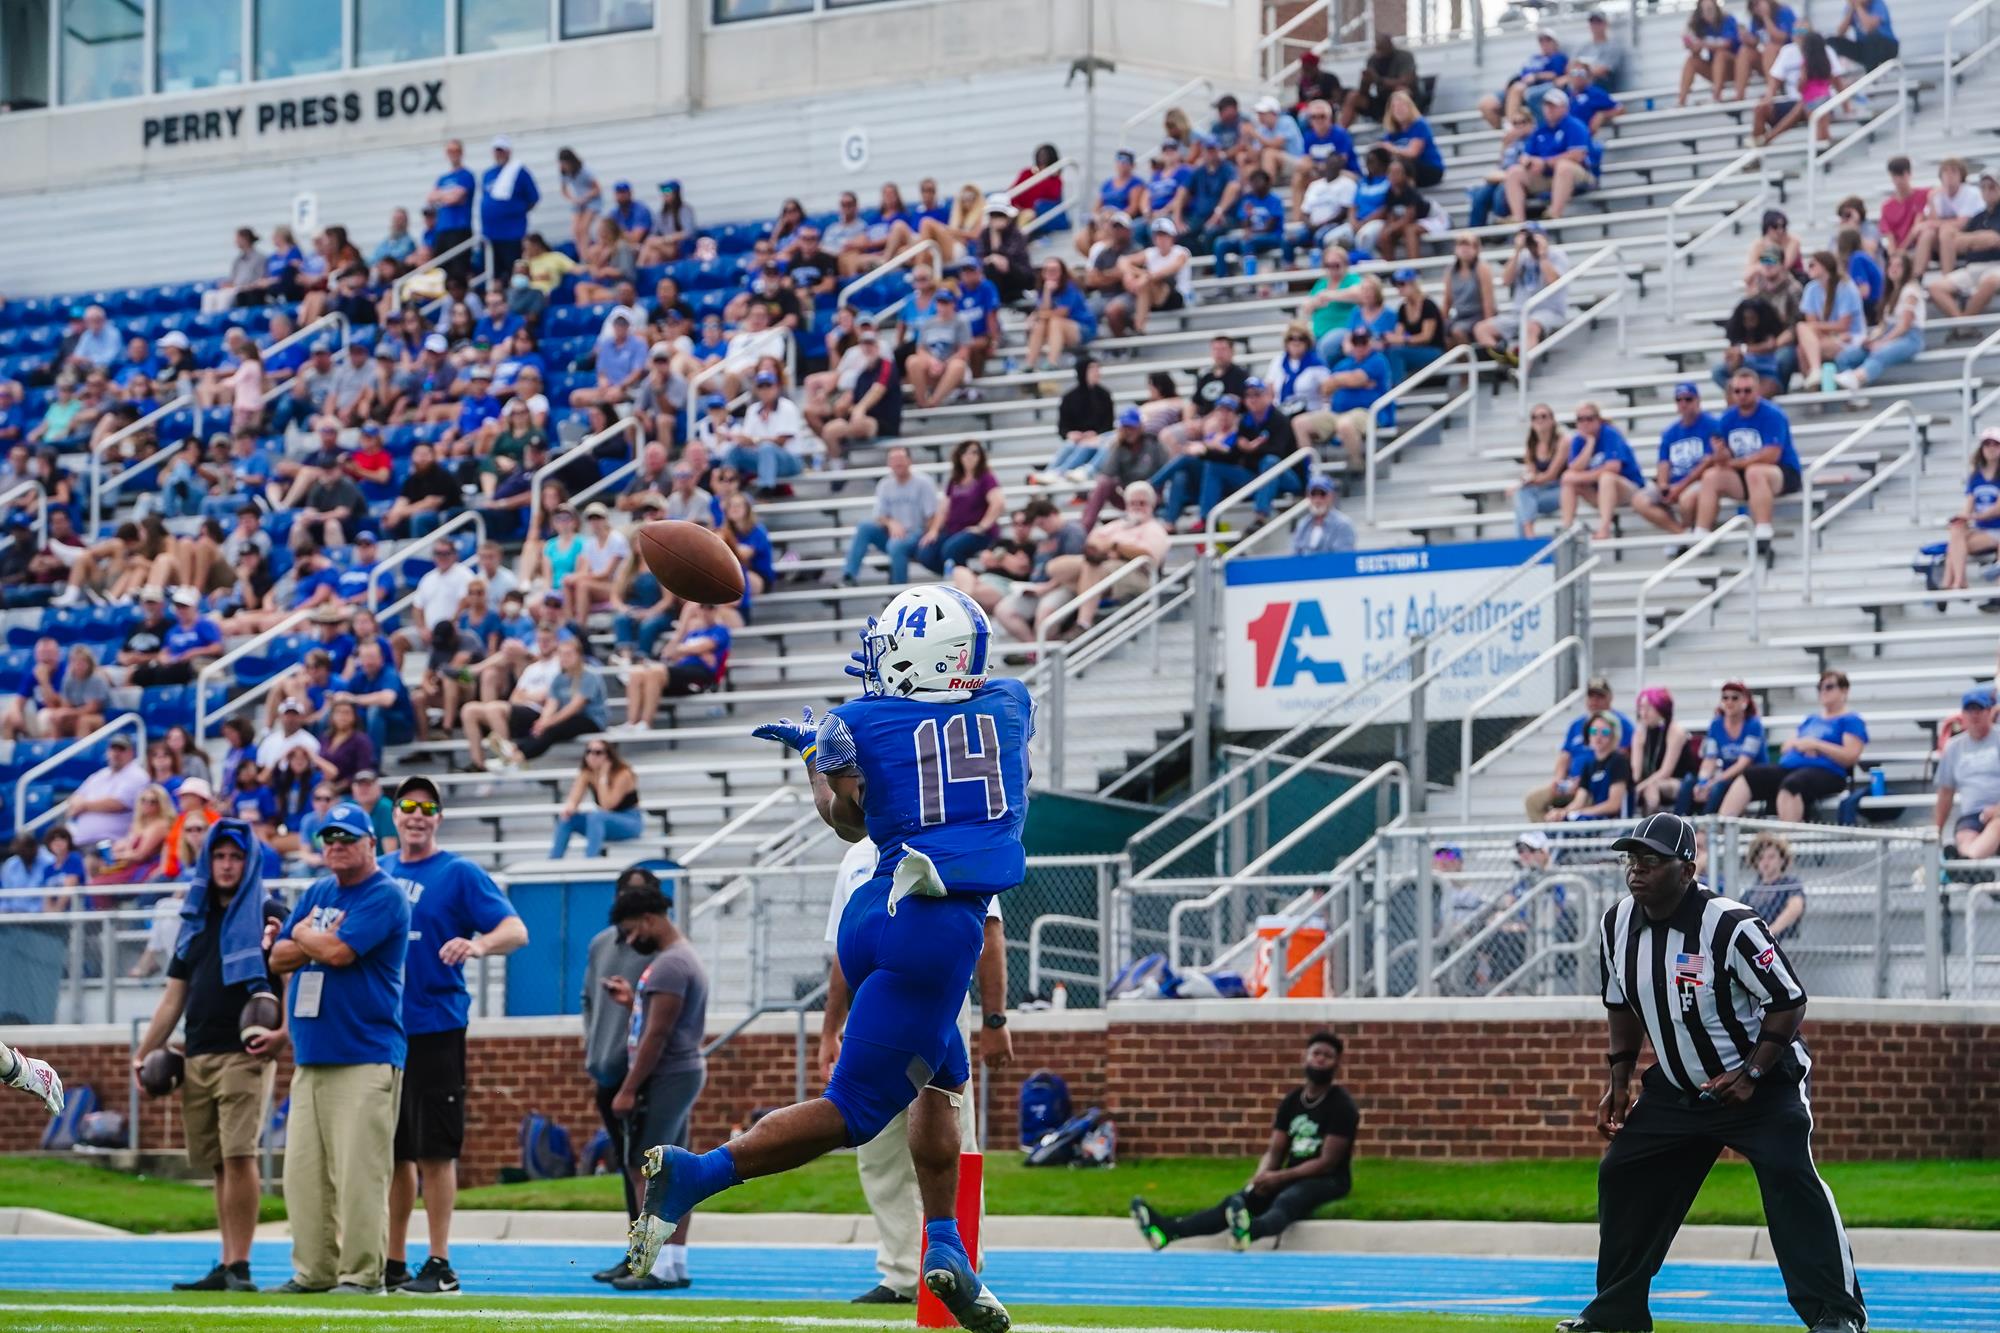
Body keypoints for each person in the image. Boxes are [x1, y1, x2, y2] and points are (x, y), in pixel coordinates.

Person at [627, 588, 1031, 1333]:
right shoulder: (1011, 702)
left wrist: (824, 761)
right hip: (935, 929)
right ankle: (697, 1173)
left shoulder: (862, 720)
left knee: (943, 1079)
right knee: (852, 1112)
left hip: (873, 912)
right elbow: (953, 721)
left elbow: (848, 823)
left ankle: (943, 1245)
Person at [1559, 813, 1863, 1333]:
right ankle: (1617, 1316)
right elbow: (1621, 1008)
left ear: (1686, 868)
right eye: (1632, 860)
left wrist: (1752, 1071)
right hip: (1677, 1089)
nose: (1637, 872)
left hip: (1759, 1086)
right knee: (1623, 1174)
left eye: (1652, 862)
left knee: (1791, 1179)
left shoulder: (1730, 923)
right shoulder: (1615, 925)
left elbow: (1789, 1001)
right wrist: (1618, 1082)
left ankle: (1836, 1314)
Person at [820, 834, 1008, 1304]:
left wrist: (995, 1019)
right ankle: (904, 1272)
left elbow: (988, 932)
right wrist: (830, 1028)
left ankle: (962, 1262)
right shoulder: (857, 857)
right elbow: (846, 949)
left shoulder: (957, 840)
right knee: (876, 1144)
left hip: (936, 1001)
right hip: (872, 1011)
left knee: (950, 1129)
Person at [379, 777, 527, 1295]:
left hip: (436, 1026)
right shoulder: (380, 873)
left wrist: (478, 945)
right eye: (408, 805)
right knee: (395, 1154)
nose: (417, 814)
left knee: (435, 1150)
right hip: (384, 1032)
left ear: (438, 817)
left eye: (427, 806)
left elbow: (515, 930)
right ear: (394, 814)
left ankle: (439, 1262)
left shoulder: (458, 871)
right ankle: (392, 1261)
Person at [134, 820, 288, 1293]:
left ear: (249, 862)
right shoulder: (194, 919)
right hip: (196, 1054)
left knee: (240, 1155)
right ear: (207, 862)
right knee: (219, 1161)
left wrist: (283, 1033)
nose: (226, 865)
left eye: (235, 857)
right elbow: (172, 999)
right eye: (219, 857)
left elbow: (290, 979)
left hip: (244, 1053)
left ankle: (240, 1266)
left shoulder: (269, 913)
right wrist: (143, 1055)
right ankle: (226, 1263)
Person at [267, 800, 411, 1296]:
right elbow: (279, 955)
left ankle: (361, 1276)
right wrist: (311, 936)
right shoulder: (318, 889)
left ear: (372, 843)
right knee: (303, 1177)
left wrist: (305, 935)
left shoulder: (384, 895)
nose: (337, 846)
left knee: (359, 1177)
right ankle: (314, 1272)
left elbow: (339, 952)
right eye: (330, 838)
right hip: (311, 1056)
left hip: (365, 1055)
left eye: (348, 838)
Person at [1131, 1031, 1357, 1250]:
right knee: (1240, 1200)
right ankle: (1168, 1231)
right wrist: (1262, 1176)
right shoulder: (1292, 1101)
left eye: (1327, 1056)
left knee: (1288, 1200)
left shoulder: (1342, 1105)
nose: (1320, 1059)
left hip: (1328, 1179)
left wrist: (1280, 1178)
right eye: (1316, 1053)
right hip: (1292, 1174)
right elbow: (1275, 1150)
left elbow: (1327, 1162)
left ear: (1337, 1065)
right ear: (1304, 1058)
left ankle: (1250, 1231)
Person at [603, 878, 710, 1292]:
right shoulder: (678, 959)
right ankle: (674, 1262)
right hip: (677, 1072)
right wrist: (633, 1001)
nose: (631, 940)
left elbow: (657, 1035)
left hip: (666, 1075)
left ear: (649, 919)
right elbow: (657, 1021)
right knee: (674, 1168)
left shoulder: (670, 963)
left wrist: (628, 1088)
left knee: (652, 1170)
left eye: (632, 930)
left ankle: (658, 1265)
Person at [581, 869, 654, 1284]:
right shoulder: (600, 944)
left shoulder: (661, 948)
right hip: (607, 1070)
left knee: (645, 1168)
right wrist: (592, 1045)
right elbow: (588, 999)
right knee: (628, 1167)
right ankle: (635, 1253)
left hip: (644, 1076)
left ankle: (650, 1258)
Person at [1720, 670, 1868, 822]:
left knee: (1791, 785)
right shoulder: (1812, 719)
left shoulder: (1851, 720)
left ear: (1844, 690)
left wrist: (1817, 745)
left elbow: (1851, 756)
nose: (1823, 691)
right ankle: (1720, 829)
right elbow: (1787, 746)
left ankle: (1786, 841)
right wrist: (1803, 745)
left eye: (1829, 687)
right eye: (1820, 687)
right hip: (1793, 768)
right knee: (1750, 775)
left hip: (1828, 772)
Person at [1694, 370, 1802, 545]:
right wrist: (1720, 455)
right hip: (1744, 473)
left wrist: (1735, 462)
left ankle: (1763, 530)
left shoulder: (1773, 414)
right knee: (1711, 476)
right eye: (1737, 391)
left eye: (1747, 390)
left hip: (1782, 472)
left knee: (1755, 472)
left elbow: (1771, 455)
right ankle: (1701, 534)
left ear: (1757, 390)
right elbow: (1724, 456)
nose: (1742, 395)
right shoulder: (1728, 417)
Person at [1525, 677, 1634, 821]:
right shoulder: (1577, 727)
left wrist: (1579, 808)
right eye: (1594, 732)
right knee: (1534, 800)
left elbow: (1614, 801)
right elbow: (1565, 756)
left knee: (1581, 810)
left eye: (1600, 696)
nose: (1598, 737)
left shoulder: (1621, 730)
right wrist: (1559, 781)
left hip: (1599, 786)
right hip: (1575, 783)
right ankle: (1546, 838)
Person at [1679, 681, 1767, 816]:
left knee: (1717, 787)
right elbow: (1710, 759)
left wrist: (1713, 782)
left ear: (1745, 701)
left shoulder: (1754, 725)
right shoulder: (1716, 724)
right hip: (1727, 776)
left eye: (1735, 698)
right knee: (1690, 782)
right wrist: (1702, 783)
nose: (1729, 702)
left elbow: (1743, 764)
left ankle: (1705, 831)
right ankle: (1678, 823)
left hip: (1750, 778)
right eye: (1725, 698)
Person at [1558, 402, 1642, 542]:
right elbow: (1573, 470)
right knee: (1569, 483)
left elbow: (1613, 467)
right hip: (1601, 494)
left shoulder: (1610, 434)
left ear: (1598, 419)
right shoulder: (1579, 439)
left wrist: (1581, 477)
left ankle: (1604, 528)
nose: (1585, 423)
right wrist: (1589, 444)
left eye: (1589, 419)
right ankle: (1566, 530)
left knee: (1606, 477)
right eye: (1580, 419)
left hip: (1628, 490)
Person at [1935, 686, 2000, 859]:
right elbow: (1945, 793)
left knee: (1997, 825)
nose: (1974, 715)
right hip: (1972, 815)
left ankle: (1967, 862)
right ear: (1962, 714)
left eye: (1979, 709)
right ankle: (1969, 860)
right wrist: (1937, 831)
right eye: (1969, 710)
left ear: (1990, 711)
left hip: (1998, 813)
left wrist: (1997, 810)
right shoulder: (1954, 747)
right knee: (1965, 835)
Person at [552, 740, 644, 859]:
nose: (592, 756)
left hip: (629, 822)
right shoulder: (587, 773)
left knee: (596, 816)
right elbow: (574, 799)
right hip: (604, 822)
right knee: (568, 818)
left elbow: (607, 805)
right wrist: (570, 808)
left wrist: (603, 777)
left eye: (598, 752)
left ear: (608, 755)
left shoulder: (623, 774)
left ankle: (591, 860)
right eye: (589, 752)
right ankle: (553, 861)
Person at [1547, 710, 1634, 823]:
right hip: (1598, 820)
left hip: (1616, 824)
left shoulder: (1619, 761)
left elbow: (1614, 805)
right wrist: (1562, 812)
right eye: (1593, 731)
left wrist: (1579, 813)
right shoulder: (1589, 765)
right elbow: (1579, 802)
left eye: (1605, 732)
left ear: (1614, 735)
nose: (1598, 736)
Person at [1942, 430, 2000, 591]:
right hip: (1982, 529)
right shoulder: (1975, 476)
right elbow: (1969, 503)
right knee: (1956, 530)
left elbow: (1997, 508)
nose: (1991, 448)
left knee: (1953, 545)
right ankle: (1958, 581)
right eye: (1987, 444)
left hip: (1997, 529)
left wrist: (1974, 516)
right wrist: (1963, 518)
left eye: (1996, 444)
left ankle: (1952, 582)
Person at [1630, 688, 1696, 817]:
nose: (1643, 713)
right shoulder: (1640, 732)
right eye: (1641, 708)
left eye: (1648, 708)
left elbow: (1666, 771)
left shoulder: (1675, 730)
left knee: (1651, 788)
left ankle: (1652, 829)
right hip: (1650, 781)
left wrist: (1640, 788)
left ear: (1661, 708)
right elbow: (1635, 773)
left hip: (1678, 781)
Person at [1511, 403, 1568, 538]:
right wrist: (1526, 482)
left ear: (1552, 420)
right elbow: (1531, 474)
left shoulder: (1562, 442)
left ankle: (1526, 539)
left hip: (1561, 490)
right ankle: (1528, 534)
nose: (1539, 420)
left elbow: (1551, 475)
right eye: (1535, 417)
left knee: (1521, 497)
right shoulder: (1532, 445)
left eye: (1543, 416)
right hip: (1542, 491)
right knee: (1521, 496)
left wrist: (1527, 481)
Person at [1742, 831, 1806, 941]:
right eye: (1761, 858)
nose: (1765, 862)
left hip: (1782, 944)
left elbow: (1795, 907)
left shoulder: (1790, 883)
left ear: (1782, 859)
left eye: (1771, 857)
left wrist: (1770, 932)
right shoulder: (1751, 892)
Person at [1826, 0, 1897, 73]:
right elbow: (1840, 32)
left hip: (1887, 47)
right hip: (1865, 49)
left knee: (1872, 38)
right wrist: (1851, 9)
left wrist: (1858, 6)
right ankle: (1836, 73)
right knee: (1832, 41)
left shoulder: (1878, 3)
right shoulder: (1850, 7)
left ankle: (1871, 75)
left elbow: (1869, 27)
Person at [1291, 476, 1354, 555]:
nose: (1317, 500)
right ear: (1308, 496)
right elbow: (1295, 556)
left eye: (1322, 494)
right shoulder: (1303, 524)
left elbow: (1343, 559)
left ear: (1332, 496)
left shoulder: (1343, 524)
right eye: (1313, 494)